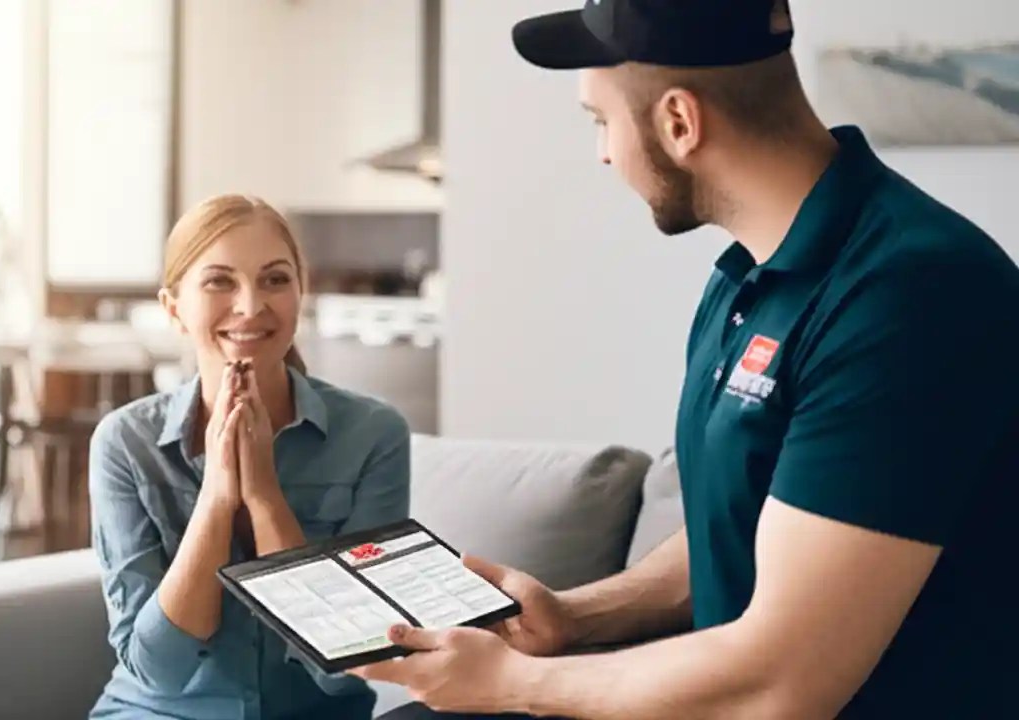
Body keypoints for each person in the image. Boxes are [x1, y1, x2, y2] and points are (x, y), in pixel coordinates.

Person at [357, 1, 1019, 718]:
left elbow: (781, 684)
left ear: (679, 123)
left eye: (599, 121)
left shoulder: (911, 295)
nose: (603, 153)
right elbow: (748, 522)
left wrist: (512, 683)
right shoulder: (745, 278)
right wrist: (574, 619)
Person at [87, 193, 412, 719]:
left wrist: (263, 496)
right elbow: (156, 668)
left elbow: (351, 661)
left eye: (275, 280)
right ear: (174, 309)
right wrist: (216, 500)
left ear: (299, 297)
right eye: (220, 281)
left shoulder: (375, 436)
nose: (250, 306)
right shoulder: (125, 444)